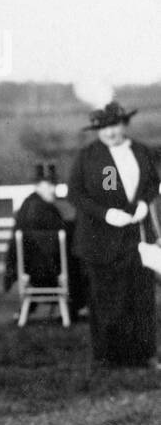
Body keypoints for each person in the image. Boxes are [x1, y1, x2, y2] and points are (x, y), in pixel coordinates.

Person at [67, 102, 159, 367]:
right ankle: (109, 357)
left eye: (114, 126)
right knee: (107, 300)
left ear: (124, 125)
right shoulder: (88, 156)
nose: (110, 133)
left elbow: (151, 182)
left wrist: (142, 203)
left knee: (141, 298)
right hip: (100, 240)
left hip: (135, 238)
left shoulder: (141, 151)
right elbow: (76, 193)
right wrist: (106, 214)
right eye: (104, 128)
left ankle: (145, 355)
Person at [3, 164, 88, 317]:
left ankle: (73, 305)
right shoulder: (37, 208)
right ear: (37, 186)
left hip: (31, 268)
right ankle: (77, 305)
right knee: (81, 257)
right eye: (48, 185)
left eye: (54, 184)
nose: (52, 189)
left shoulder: (30, 205)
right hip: (43, 271)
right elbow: (56, 237)